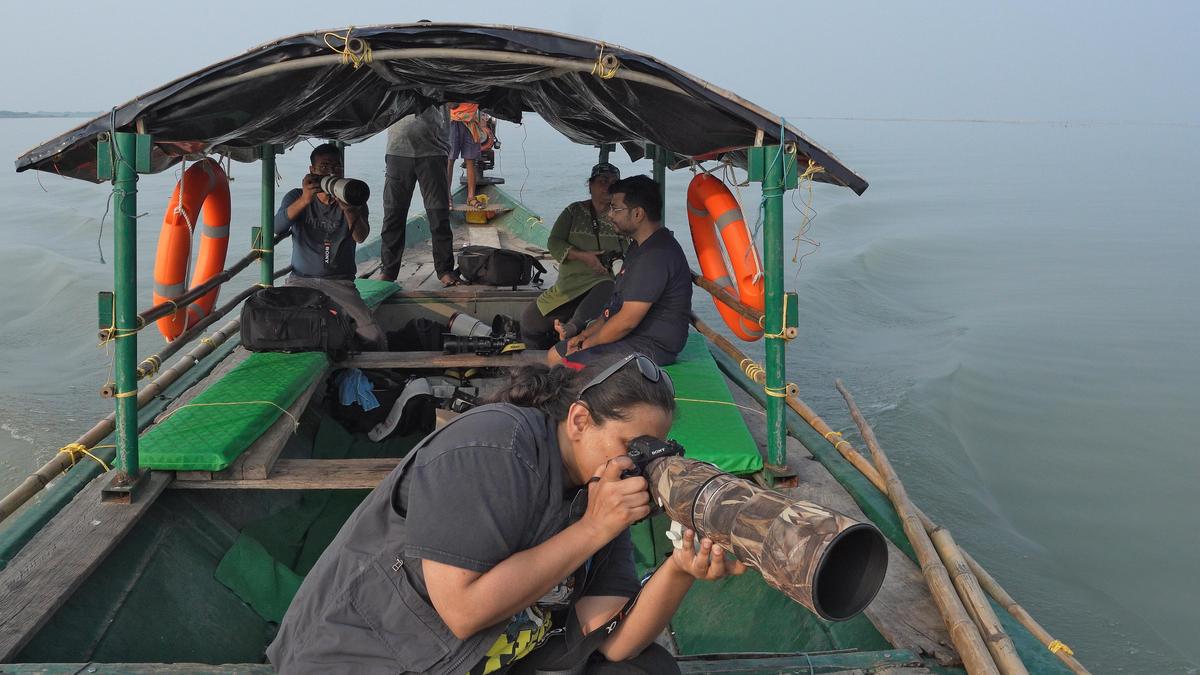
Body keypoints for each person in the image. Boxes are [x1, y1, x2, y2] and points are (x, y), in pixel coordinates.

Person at [266, 353, 745, 674]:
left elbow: (614, 640)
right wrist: (594, 528)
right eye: (631, 445)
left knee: (649, 668)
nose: (637, 463)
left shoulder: (599, 491)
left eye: (651, 451)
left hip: (484, 658)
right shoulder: (494, 446)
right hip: (371, 657)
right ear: (578, 420)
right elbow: (463, 611)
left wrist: (680, 568)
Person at [547, 175, 693, 367]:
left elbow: (626, 322)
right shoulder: (638, 247)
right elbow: (613, 309)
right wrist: (584, 335)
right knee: (554, 355)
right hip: (632, 338)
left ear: (638, 214)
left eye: (616, 209)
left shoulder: (656, 255)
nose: (610, 215)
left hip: (651, 346)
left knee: (566, 365)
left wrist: (585, 346)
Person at [274, 143, 386, 349]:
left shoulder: (353, 197)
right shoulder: (296, 196)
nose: (331, 172)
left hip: (339, 283)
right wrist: (305, 200)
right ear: (312, 171)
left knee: (372, 336)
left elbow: (361, 237)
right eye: (324, 167)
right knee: (282, 331)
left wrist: (350, 210)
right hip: (301, 280)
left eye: (337, 167)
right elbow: (276, 226)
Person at [519, 162, 626, 349]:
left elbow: (632, 252)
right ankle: (557, 344)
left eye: (614, 182)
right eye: (603, 181)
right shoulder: (574, 211)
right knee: (529, 324)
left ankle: (573, 328)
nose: (608, 186)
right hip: (570, 285)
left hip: (602, 287)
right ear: (590, 185)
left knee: (607, 286)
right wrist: (582, 256)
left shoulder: (620, 216)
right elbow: (554, 242)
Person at [380, 104, 459, 287]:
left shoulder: (441, 76)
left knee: (438, 215)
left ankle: (445, 270)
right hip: (397, 150)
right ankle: (388, 271)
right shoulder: (396, 76)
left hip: (434, 150)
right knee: (393, 214)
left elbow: (454, 103)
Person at [448, 102, 484, 208]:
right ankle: (447, 196)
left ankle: (471, 198)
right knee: (449, 159)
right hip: (453, 120)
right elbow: (449, 103)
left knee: (470, 160)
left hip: (471, 121)